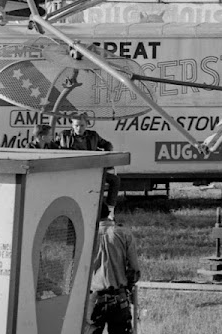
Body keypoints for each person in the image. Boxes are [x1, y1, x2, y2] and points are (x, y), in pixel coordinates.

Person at [87, 205, 140, 334]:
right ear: (108, 213)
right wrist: (128, 286)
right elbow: (134, 269)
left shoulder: (88, 235)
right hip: (119, 298)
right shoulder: (124, 234)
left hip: (93, 299)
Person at [61, 115, 121, 214]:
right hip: (72, 171)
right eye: (76, 125)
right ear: (72, 124)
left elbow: (107, 144)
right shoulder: (64, 135)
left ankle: (110, 210)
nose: (79, 128)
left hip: (92, 170)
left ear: (87, 125)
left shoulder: (93, 136)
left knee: (115, 180)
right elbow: (54, 147)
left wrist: (107, 153)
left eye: (82, 125)